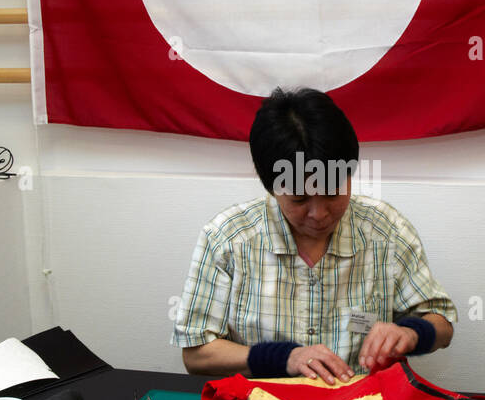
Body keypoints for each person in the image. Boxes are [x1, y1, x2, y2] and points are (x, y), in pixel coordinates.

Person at [172, 87, 455, 383]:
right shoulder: (228, 239)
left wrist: (410, 333)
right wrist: (284, 358)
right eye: (299, 200)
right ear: (271, 188)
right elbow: (196, 354)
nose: (319, 214)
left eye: (333, 193)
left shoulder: (386, 230)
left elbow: (442, 326)